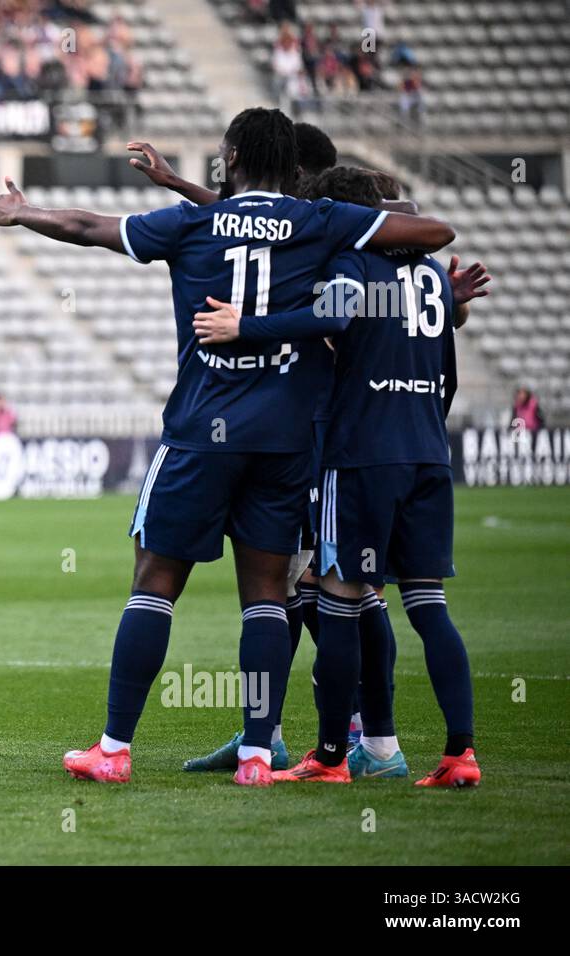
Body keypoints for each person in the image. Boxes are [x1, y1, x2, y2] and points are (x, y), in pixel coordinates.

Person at [0, 107, 456, 787]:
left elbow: (88, 228)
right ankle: (260, 756)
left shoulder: (193, 224)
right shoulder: (318, 222)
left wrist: (24, 212)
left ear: (230, 157)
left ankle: (114, 749)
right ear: (295, 170)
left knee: (155, 582)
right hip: (286, 441)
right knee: (266, 593)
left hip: (202, 431)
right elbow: (434, 229)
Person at [194, 165, 489, 786]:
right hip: (429, 456)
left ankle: (332, 755)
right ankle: (460, 754)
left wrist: (245, 326)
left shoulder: (354, 268)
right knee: (429, 605)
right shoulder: (434, 280)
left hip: (360, 459)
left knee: (340, 602)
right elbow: (448, 366)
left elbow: (326, 320)